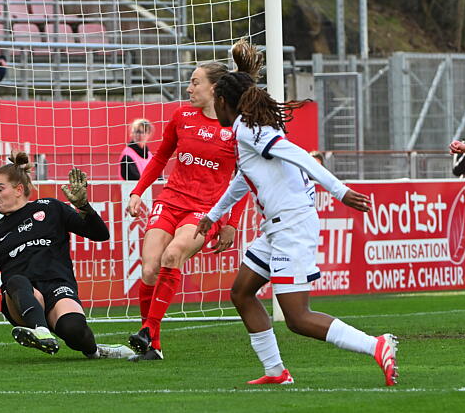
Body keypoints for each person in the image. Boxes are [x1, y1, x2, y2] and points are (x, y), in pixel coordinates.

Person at [195, 70, 398, 386]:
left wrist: (339, 190)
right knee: (242, 293)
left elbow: (297, 154)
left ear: (222, 101)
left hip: (291, 225)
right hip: (277, 227)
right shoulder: (247, 129)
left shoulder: (248, 130)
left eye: (213, 99)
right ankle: (276, 372)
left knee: (297, 317)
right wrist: (214, 214)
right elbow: (244, 178)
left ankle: (376, 345)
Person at [125, 40, 260, 361]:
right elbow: (160, 158)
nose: (188, 88)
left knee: (173, 255)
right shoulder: (181, 116)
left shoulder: (236, 128)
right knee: (149, 269)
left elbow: (245, 177)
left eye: (195, 82)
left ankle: (148, 331)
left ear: (214, 89)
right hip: (170, 201)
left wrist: (231, 223)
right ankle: (153, 345)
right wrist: (137, 191)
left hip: (206, 210)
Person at [0, 152, 135, 361]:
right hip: (20, 298)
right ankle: (41, 331)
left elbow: (100, 235)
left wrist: (83, 206)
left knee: (74, 329)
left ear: (19, 189)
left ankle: (95, 352)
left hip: (57, 287)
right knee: (16, 281)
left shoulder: (50, 208)